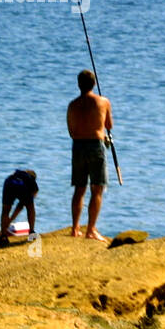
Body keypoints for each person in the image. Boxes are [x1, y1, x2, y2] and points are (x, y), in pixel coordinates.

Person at [67, 69, 113, 241]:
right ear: (94, 84)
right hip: (95, 146)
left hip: (77, 146)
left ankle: (75, 228)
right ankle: (91, 229)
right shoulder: (103, 101)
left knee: (79, 189)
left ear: (78, 85)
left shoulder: (72, 105)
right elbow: (109, 124)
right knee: (97, 188)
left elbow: (71, 131)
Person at [0, 169, 38, 245]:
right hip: (21, 186)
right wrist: (11, 220)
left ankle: (3, 237)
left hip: (8, 183)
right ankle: (32, 233)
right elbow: (21, 205)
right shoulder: (32, 182)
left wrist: (9, 221)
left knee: (5, 211)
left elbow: (20, 205)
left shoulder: (15, 175)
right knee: (30, 208)